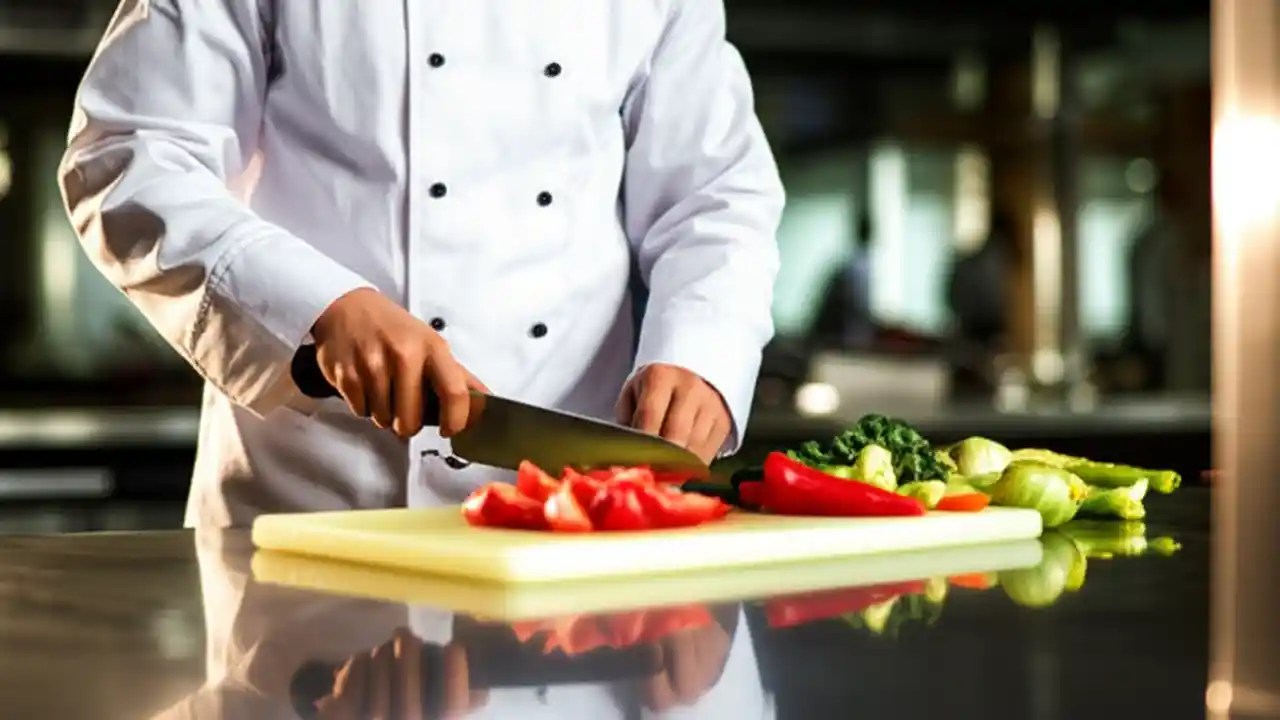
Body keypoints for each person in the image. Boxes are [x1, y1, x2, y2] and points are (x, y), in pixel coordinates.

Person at [59, 1, 784, 527]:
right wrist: (321, 306)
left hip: (566, 525)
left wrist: (702, 354)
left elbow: (716, 194)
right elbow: (128, 156)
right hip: (312, 511)